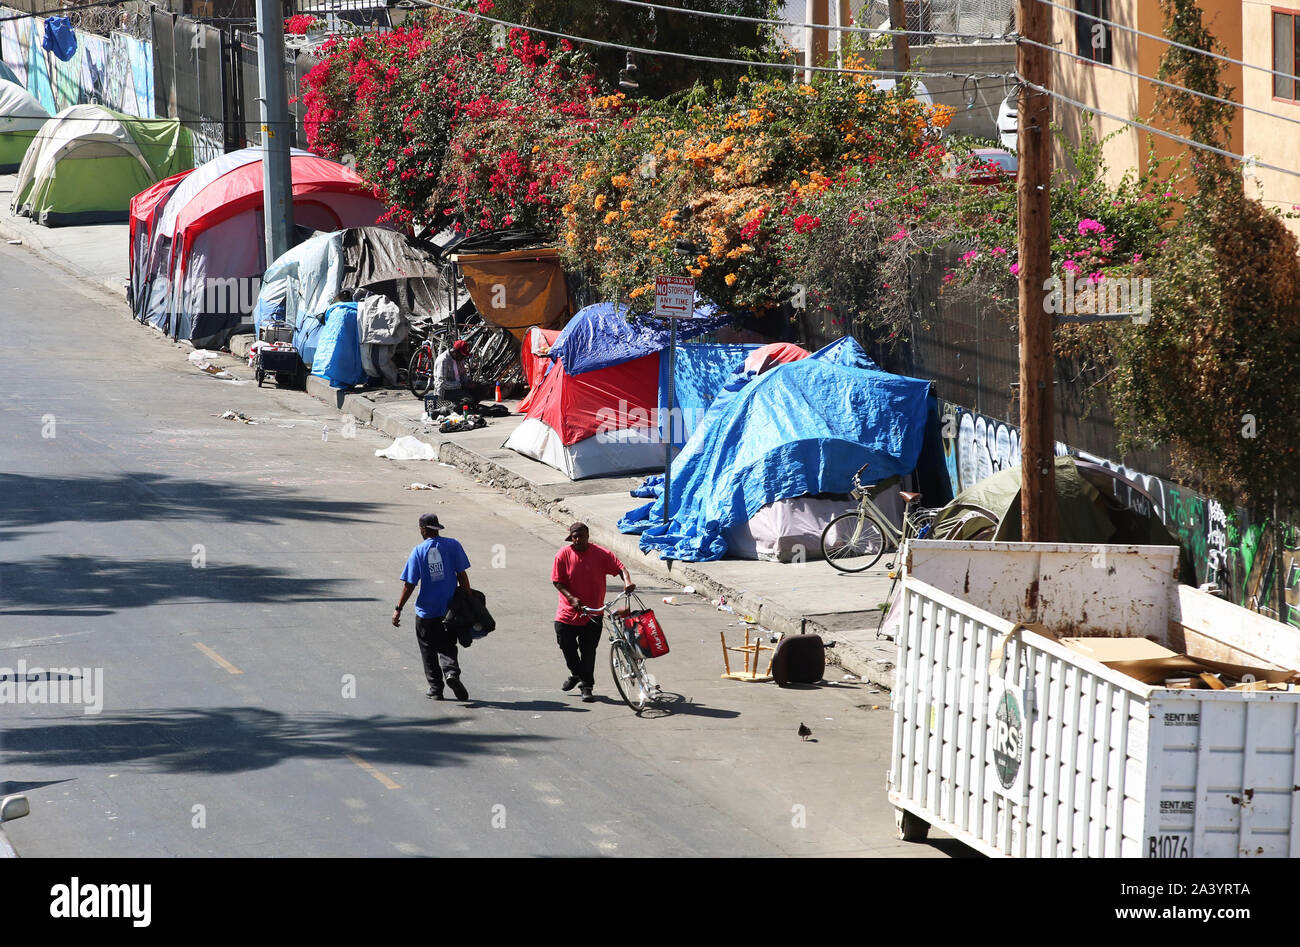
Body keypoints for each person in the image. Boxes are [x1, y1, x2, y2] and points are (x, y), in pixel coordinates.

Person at [551, 522, 635, 702]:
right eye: (574, 536)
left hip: (593, 613)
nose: (578, 539)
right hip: (567, 613)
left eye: (581, 535)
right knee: (566, 646)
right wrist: (571, 598)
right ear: (571, 538)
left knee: (589, 651)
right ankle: (576, 673)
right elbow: (557, 581)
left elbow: (621, 568)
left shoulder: (601, 554)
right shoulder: (563, 555)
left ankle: (586, 685)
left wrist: (627, 581)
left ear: (588, 535)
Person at [392, 513, 472, 701]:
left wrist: (398, 608)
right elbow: (462, 575)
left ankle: (436, 689)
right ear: (437, 528)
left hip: (426, 612)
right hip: (449, 610)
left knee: (428, 649)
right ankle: (451, 673)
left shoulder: (418, 551)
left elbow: (409, 584)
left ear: (423, 529)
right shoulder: (453, 545)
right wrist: (467, 600)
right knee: (447, 645)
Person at [433, 339, 472, 411]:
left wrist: (468, 383)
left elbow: (463, 374)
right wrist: (460, 385)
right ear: (455, 352)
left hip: (458, 388)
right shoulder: (443, 360)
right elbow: (441, 383)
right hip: (446, 391)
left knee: (481, 389)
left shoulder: (459, 359)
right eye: (462, 356)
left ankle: (465, 406)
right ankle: (443, 410)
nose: (463, 358)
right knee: (468, 400)